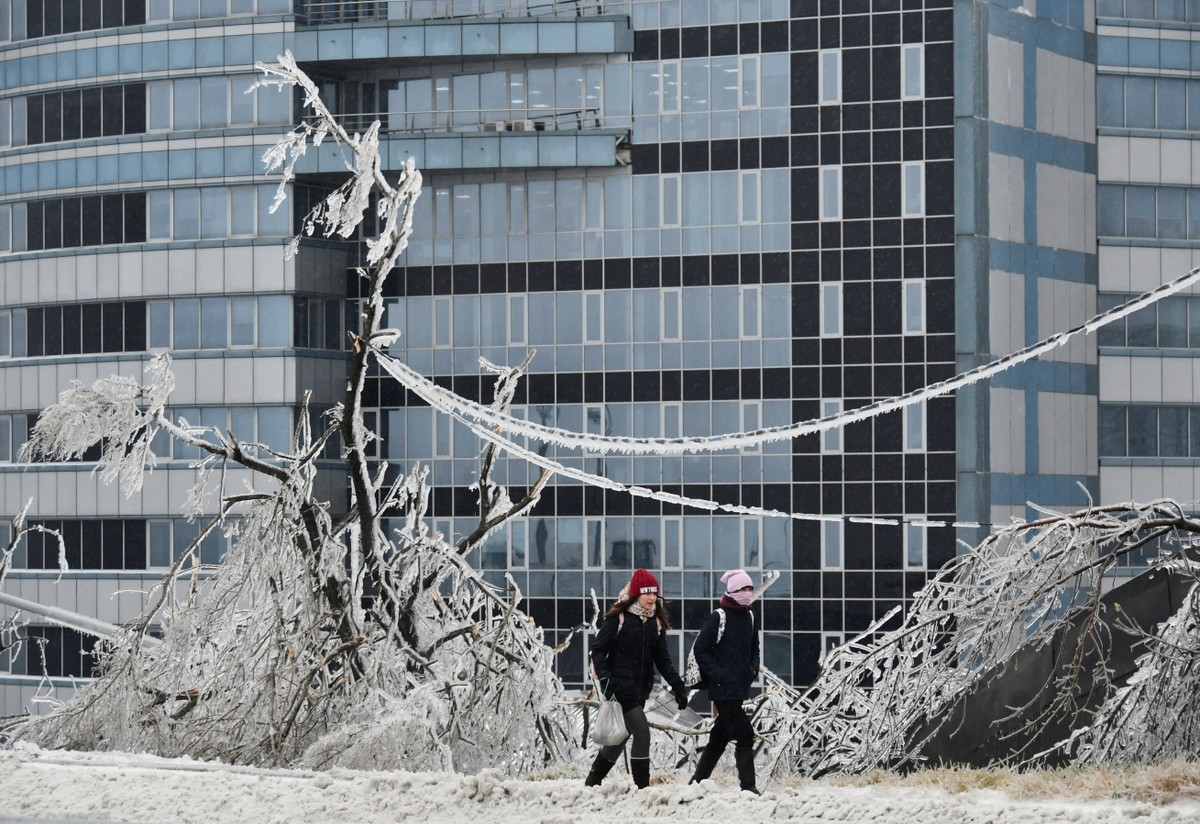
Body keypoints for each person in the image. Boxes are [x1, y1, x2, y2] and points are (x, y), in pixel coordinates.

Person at [584, 568, 689, 790]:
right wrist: (606, 681)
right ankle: (642, 789)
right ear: (636, 594)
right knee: (642, 732)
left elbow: (663, 659)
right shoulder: (618, 617)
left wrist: (678, 685)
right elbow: (598, 651)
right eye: (647, 593)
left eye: (655, 593)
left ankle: (592, 782)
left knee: (618, 739)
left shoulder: (656, 623)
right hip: (619, 689)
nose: (652, 598)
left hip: (640, 690)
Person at [688, 568, 762, 794]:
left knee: (719, 738)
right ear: (732, 591)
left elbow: (754, 647)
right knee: (745, 734)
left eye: (750, 588)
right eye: (743, 589)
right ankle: (748, 788)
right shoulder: (718, 616)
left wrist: (753, 668)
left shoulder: (749, 615)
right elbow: (701, 649)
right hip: (722, 689)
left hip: (739, 687)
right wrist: (718, 674)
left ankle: (696, 784)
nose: (747, 593)